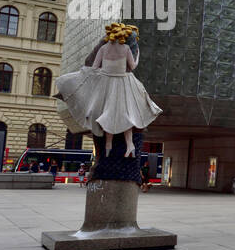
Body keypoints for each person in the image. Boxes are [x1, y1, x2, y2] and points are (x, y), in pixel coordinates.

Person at [54, 22, 162, 160]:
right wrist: (138, 54)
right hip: (123, 82)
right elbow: (133, 66)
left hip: (105, 82)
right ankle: (130, 145)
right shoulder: (126, 49)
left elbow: (93, 67)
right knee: (127, 113)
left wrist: (94, 76)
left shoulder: (104, 48)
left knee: (107, 113)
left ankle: (108, 145)